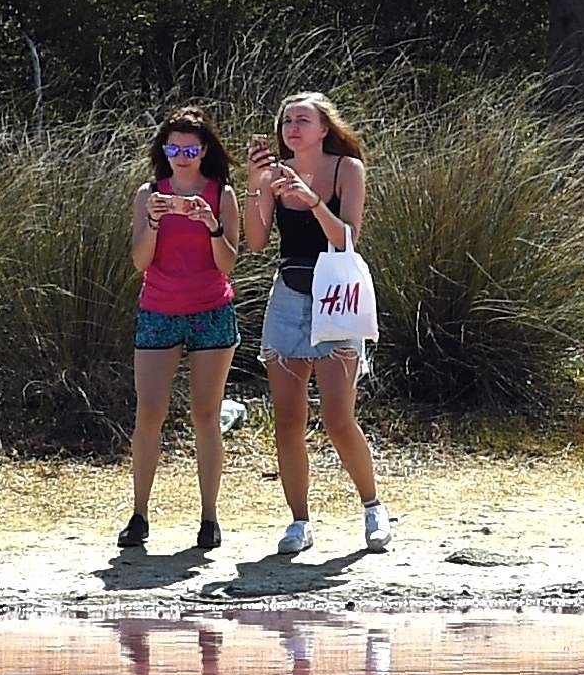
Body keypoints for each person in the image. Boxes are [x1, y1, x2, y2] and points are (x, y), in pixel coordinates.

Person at [242, 91, 388, 558]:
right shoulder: (275, 174)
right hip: (288, 296)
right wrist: (255, 184)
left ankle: (372, 506)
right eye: (287, 121)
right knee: (287, 420)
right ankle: (299, 520)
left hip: (336, 297)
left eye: (302, 120)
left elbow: (346, 238)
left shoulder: (347, 169)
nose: (292, 129)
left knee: (338, 417)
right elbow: (258, 242)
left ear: (324, 128)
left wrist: (311, 202)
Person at [122, 107, 243, 554]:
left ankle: (209, 517)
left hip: (211, 310)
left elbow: (228, 262)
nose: (182, 156)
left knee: (205, 416)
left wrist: (209, 223)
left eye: (190, 149)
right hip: (158, 309)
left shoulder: (222, 194)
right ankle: (139, 514)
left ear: (204, 151)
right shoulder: (148, 194)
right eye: (173, 148)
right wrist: (154, 219)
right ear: (164, 151)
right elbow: (139, 261)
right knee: (149, 414)